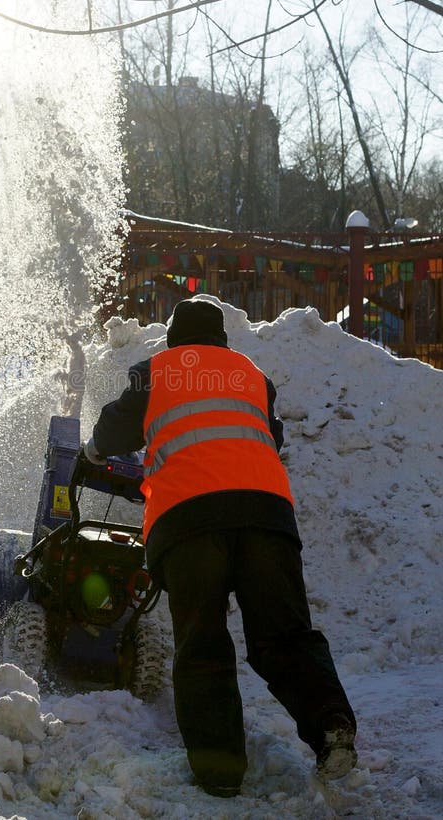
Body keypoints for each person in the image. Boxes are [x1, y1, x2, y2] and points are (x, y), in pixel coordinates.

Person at [84, 298, 357, 798]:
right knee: (284, 635)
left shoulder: (155, 371)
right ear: (222, 340)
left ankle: (219, 771)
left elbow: (114, 430)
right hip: (266, 516)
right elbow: (269, 437)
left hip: (189, 522)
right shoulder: (253, 376)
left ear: (174, 338)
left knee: (203, 642)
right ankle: (331, 727)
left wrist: (93, 452)